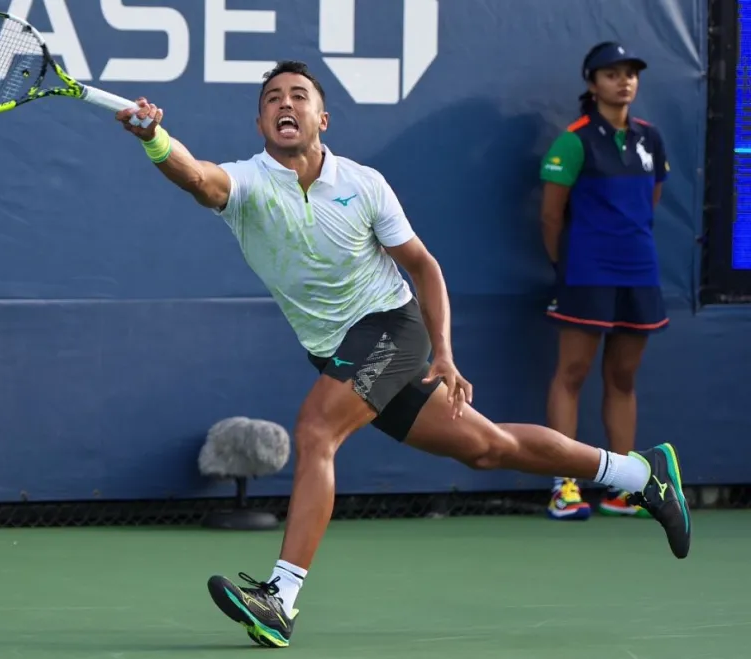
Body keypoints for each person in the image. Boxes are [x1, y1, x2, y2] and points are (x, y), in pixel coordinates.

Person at [115, 60, 691, 649]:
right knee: (489, 449)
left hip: (392, 328)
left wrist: (443, 351)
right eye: (272, 99)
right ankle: (639, 473)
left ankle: (280, 597)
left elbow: (423, 266)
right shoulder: (247, 184)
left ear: (322, 117)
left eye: (298, 95)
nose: (284, 104)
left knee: (316, 431)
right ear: (261, 119)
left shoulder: (364, 184)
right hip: (338, 353)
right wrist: (156, 138)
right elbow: (197, 177)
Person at [539, 43, 671, 522]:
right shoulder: (573, 140)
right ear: (592, 84)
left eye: (630, 74)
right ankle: (564, 484)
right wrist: (569, 266)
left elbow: (650, 202)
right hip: (585, 273)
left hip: (639, 272)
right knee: (571, 373)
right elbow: (551, 217)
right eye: (612, 74)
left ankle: (624, 488)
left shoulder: (651, 139)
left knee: (622, 377)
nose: (624, 82)